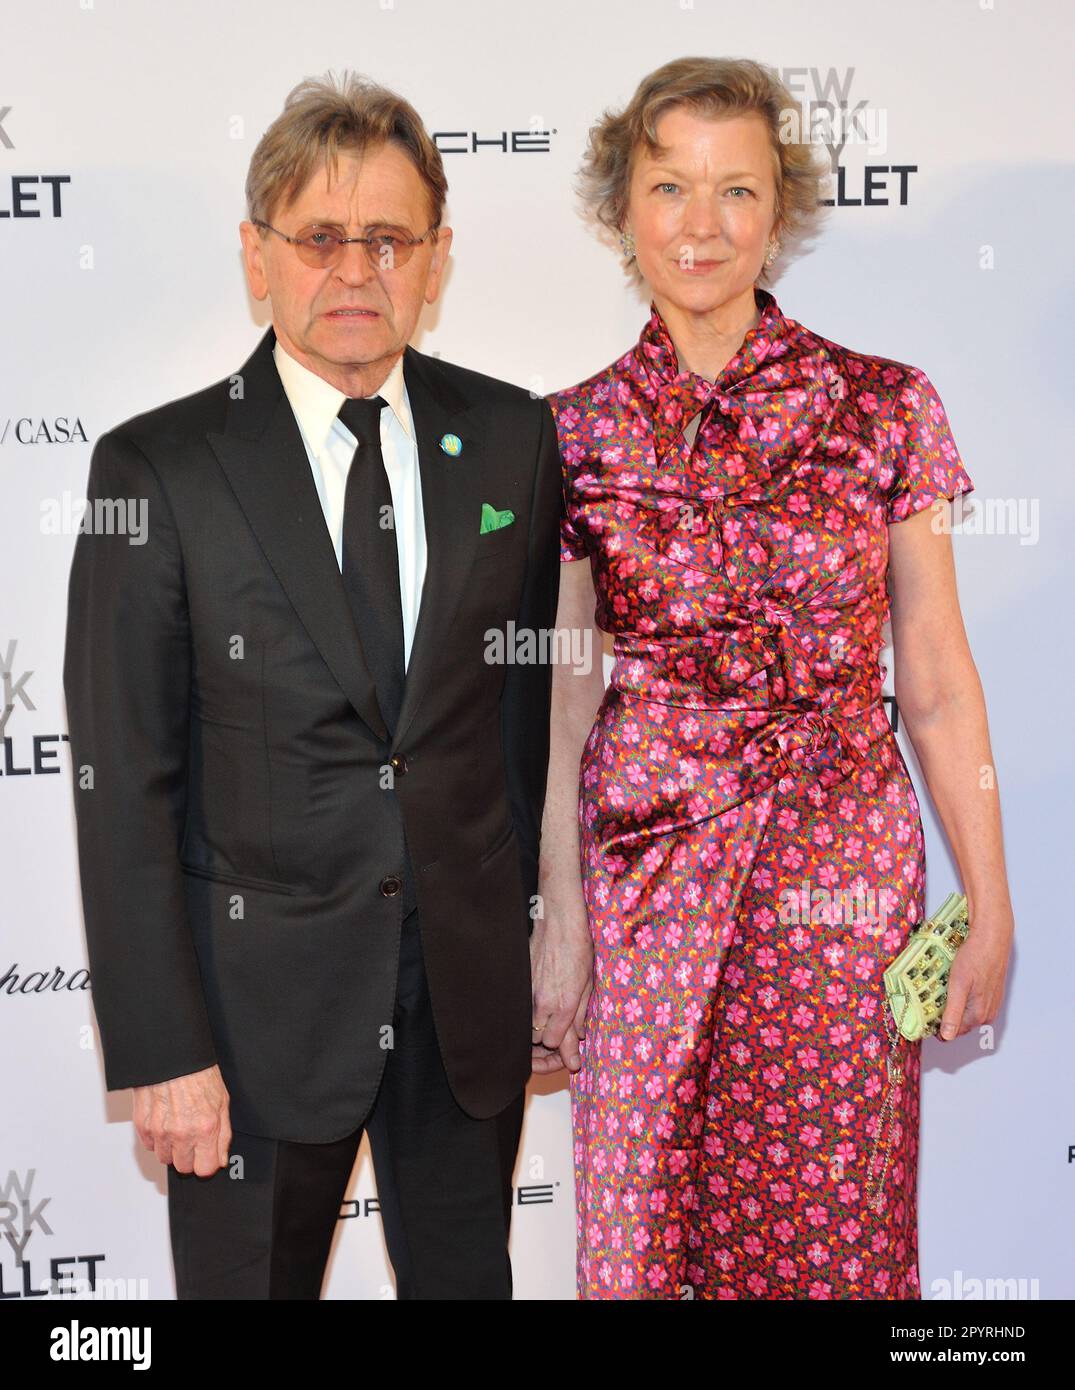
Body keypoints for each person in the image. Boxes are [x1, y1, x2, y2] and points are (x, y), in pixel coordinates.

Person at [63, 71, 561, 1300]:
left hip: (461, 1010)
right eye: (320, 238)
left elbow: (515, 724)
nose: (356, 270)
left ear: (436, 258)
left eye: (388, 239)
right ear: (257, 255)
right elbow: (123, 781)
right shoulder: (160, 467)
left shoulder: (511, 438)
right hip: (249, 1026)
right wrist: (165, 1051)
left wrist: (531, 945)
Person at [531, 56, 1014, 1299]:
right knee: (639, 1242)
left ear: (777, 211)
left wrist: (990, 898)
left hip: (838, 878)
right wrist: (563, 923)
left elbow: (940, 681)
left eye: (734, 190)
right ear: (620, 208)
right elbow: (564, 703)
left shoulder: (883, 408)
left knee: (832, 1238)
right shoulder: (565, 435)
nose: (702, 225)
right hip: (643, 877)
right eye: (670, 187)